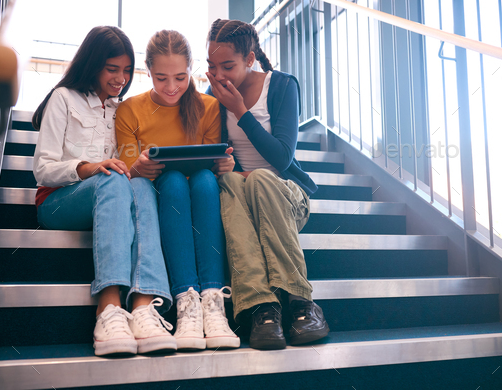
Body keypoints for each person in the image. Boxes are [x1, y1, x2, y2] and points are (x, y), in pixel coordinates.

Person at [32, 26, 176, 356]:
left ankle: (142, 307)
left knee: (137, 182)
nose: (120, 79)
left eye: (126, 71)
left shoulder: (121, 111)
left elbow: (125, 170)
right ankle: (108, 308)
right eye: (112, 69)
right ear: (93, 63)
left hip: (110, 201)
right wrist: (90, 167)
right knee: (113, 177)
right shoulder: (63, 98)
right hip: (58, 201)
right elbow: (43, 168)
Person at [205, 19, 329, 350]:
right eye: (212, 67)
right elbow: (215, 156)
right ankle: (261, 308)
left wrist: (241, 111)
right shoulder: (211, 97)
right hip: (241, 196)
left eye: (227, 66)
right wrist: (221, 165)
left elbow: (282, 159)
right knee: (230, 181)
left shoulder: (283, 86)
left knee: (260, 177)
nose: (218, 76)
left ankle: (300, 301)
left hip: (287, 195)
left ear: (249, 59)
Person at [115, 29, 239, 351]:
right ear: (147, 71)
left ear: (191, 70)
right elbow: (126, 170)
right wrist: (138, 167)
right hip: (162, 197)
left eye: (180, 78)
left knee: (205, 179)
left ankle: (213, 302)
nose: (172, 88)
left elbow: (212, 161)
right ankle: (186, 303)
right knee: (171, 181)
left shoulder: (209, 107)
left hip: (200, 193)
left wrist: (225, 165)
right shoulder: (130, 110)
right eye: (161, 78)